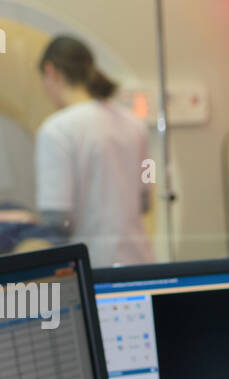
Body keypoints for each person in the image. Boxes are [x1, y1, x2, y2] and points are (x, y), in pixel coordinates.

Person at [35, 35, 154, 267]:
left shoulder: (56, 130)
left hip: (94, 268)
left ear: (51, 71)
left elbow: (57, 221)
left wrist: (26, 220)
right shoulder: (134, 124)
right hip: (140, 263)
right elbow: (145, 202)